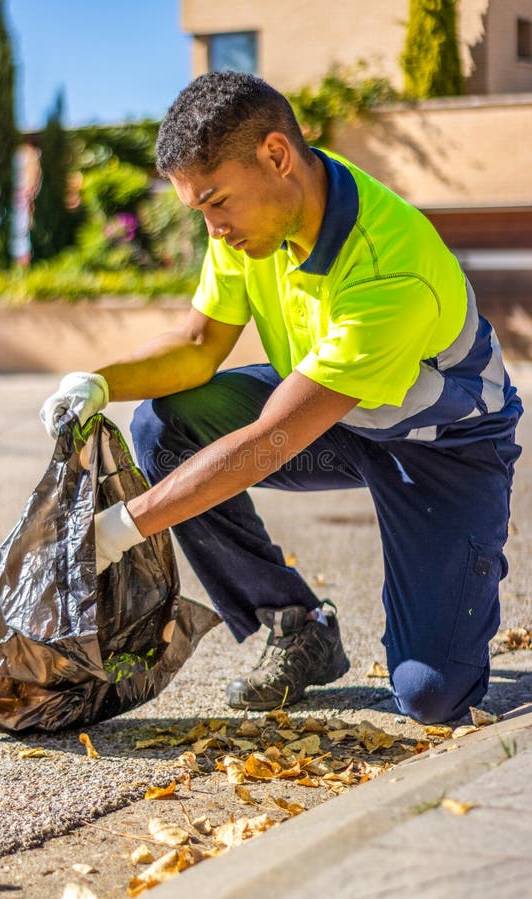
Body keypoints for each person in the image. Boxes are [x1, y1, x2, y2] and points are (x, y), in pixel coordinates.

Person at [41, 72, 522, 724]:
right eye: (198, 209)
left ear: (276, 155)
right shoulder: (255, 225)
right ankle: (297, 626)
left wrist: (121, 529)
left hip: (441, 447)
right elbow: (198, 342)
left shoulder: (387, 263)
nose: (213, 230)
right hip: (332, 415)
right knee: (164, 428)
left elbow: (272, 440)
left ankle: (459, 563)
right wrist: (98, 381)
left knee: (432, 695)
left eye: (216, 202)